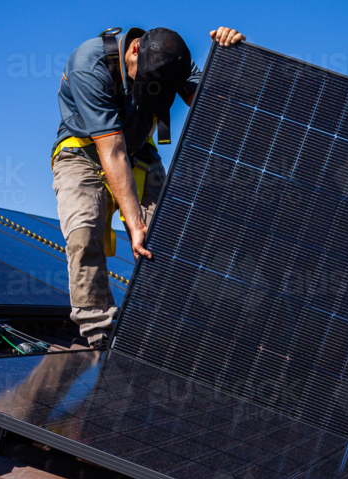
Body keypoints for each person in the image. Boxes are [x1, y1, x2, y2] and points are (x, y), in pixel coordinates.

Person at [52, 25, 243, 349]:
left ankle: (169, 331)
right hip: (83, 153)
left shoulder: (174, 64)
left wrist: (232, 58)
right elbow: (111, 150)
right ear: (135, 50)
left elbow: (223, 110)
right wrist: (134, 222)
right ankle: (101, 337)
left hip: (139, 156)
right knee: (85, 233)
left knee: (164, 240)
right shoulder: (90, 64)